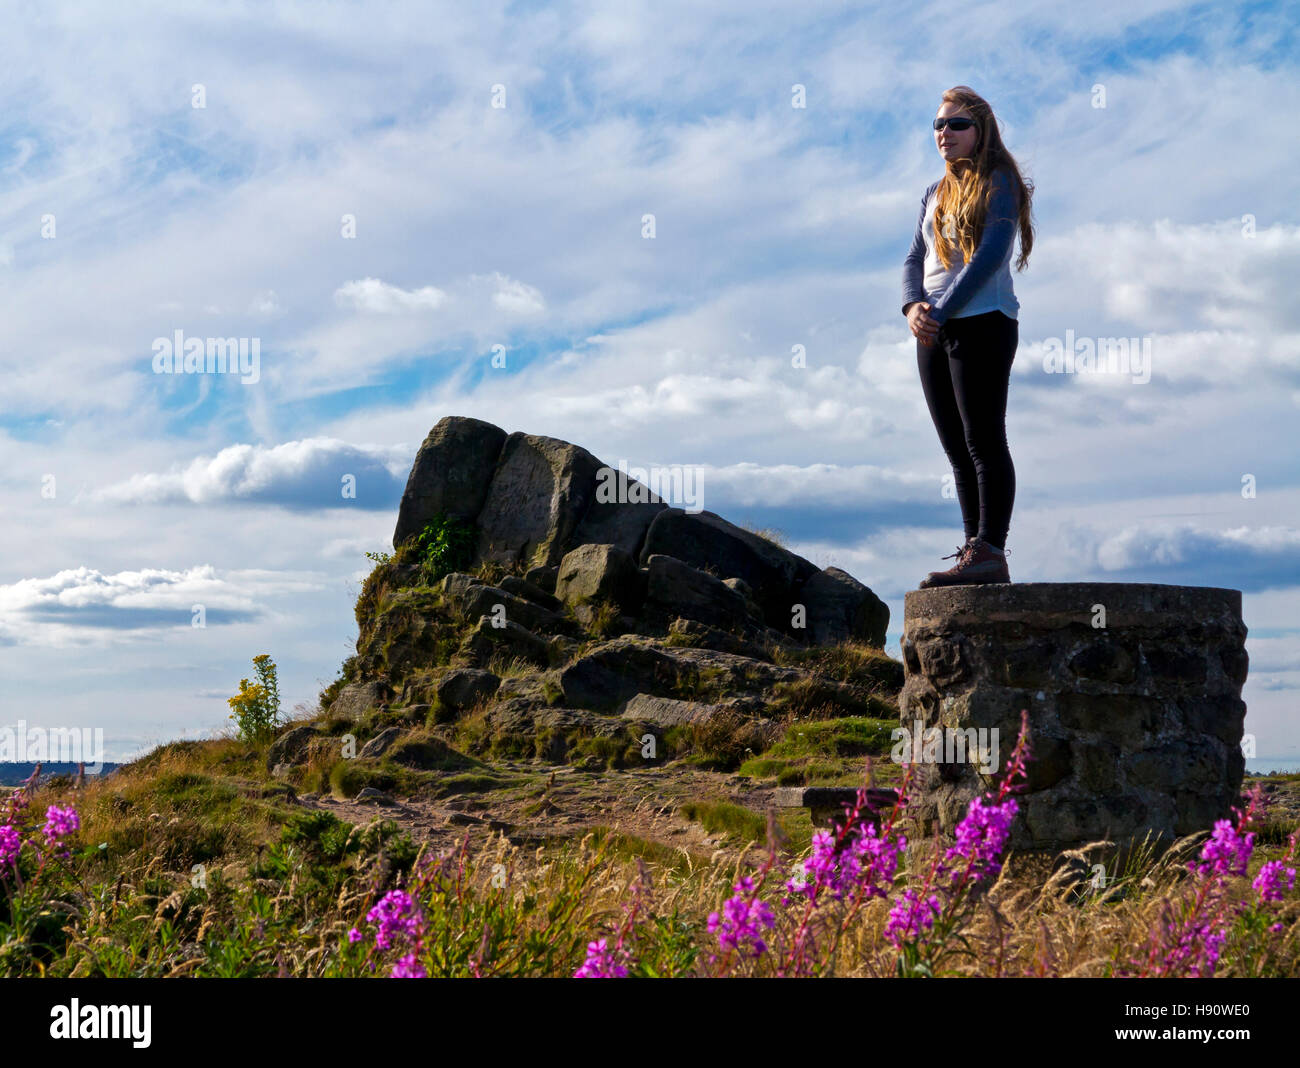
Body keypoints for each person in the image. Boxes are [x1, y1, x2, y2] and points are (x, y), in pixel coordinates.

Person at [902, 85, 1035, 588]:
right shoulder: (933, 193)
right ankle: (972, 555)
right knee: (955, 447)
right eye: (938, 125)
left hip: (983, 321)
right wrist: (913, 305)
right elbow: (914, 257)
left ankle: (991, 550)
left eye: (956, 124)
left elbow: (991, 254)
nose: (944, 133)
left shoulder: (999, 180)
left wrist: (939, 311)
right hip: (933, 328)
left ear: (980, 130)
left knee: (984, 439)